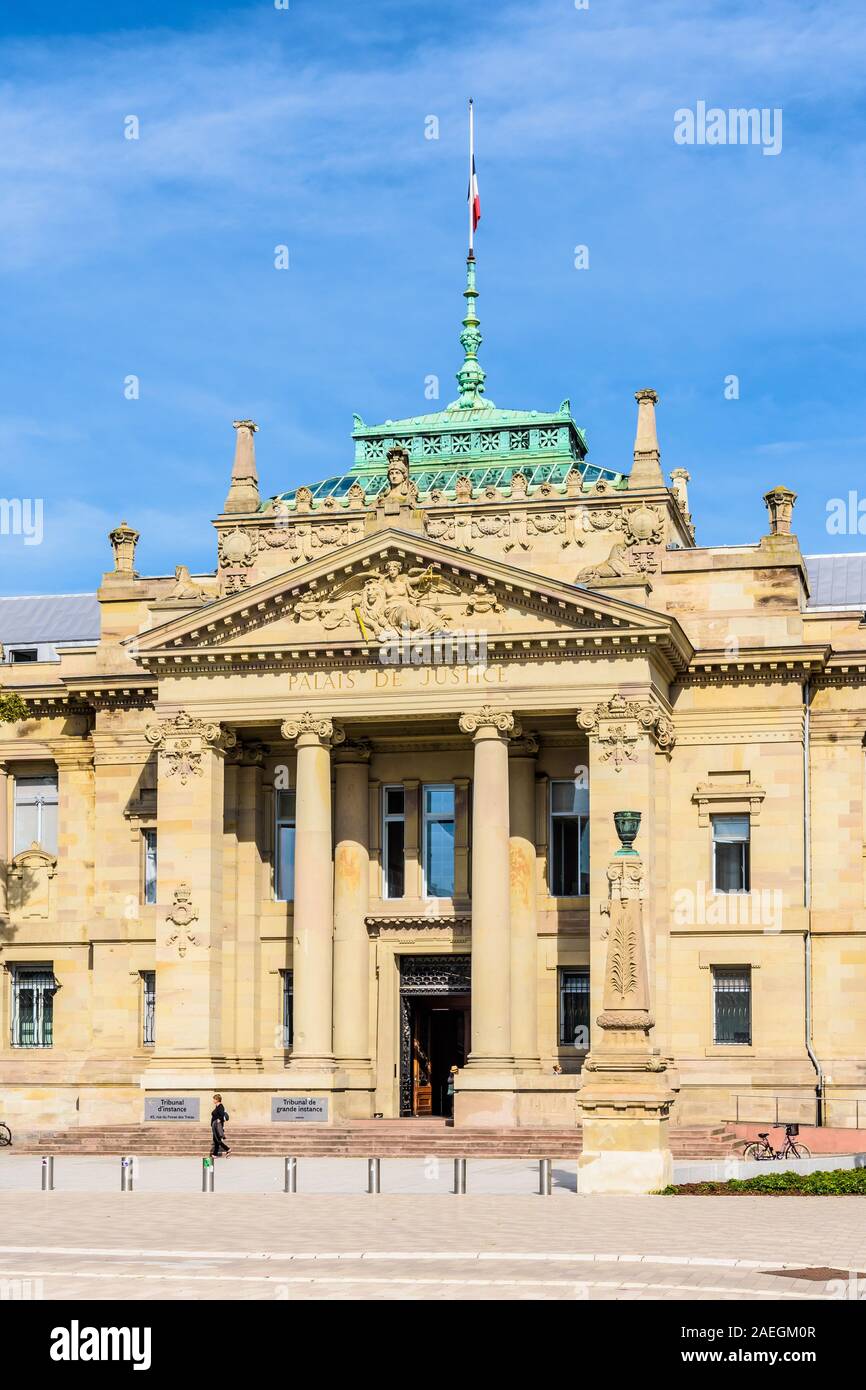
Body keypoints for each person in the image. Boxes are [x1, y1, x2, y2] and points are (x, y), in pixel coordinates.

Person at [211, 1093, 230, 1157]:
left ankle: (227, 1149)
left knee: (217, 1140)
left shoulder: (220, 1106)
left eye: (214, 1099)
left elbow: (222, 1115)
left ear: (217, 1099)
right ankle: (215, 1154)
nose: (213, 1100)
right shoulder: (217, 1106)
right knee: (216, 1140)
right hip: (215, 1126)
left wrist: (220, 1119)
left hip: (217, 1126)